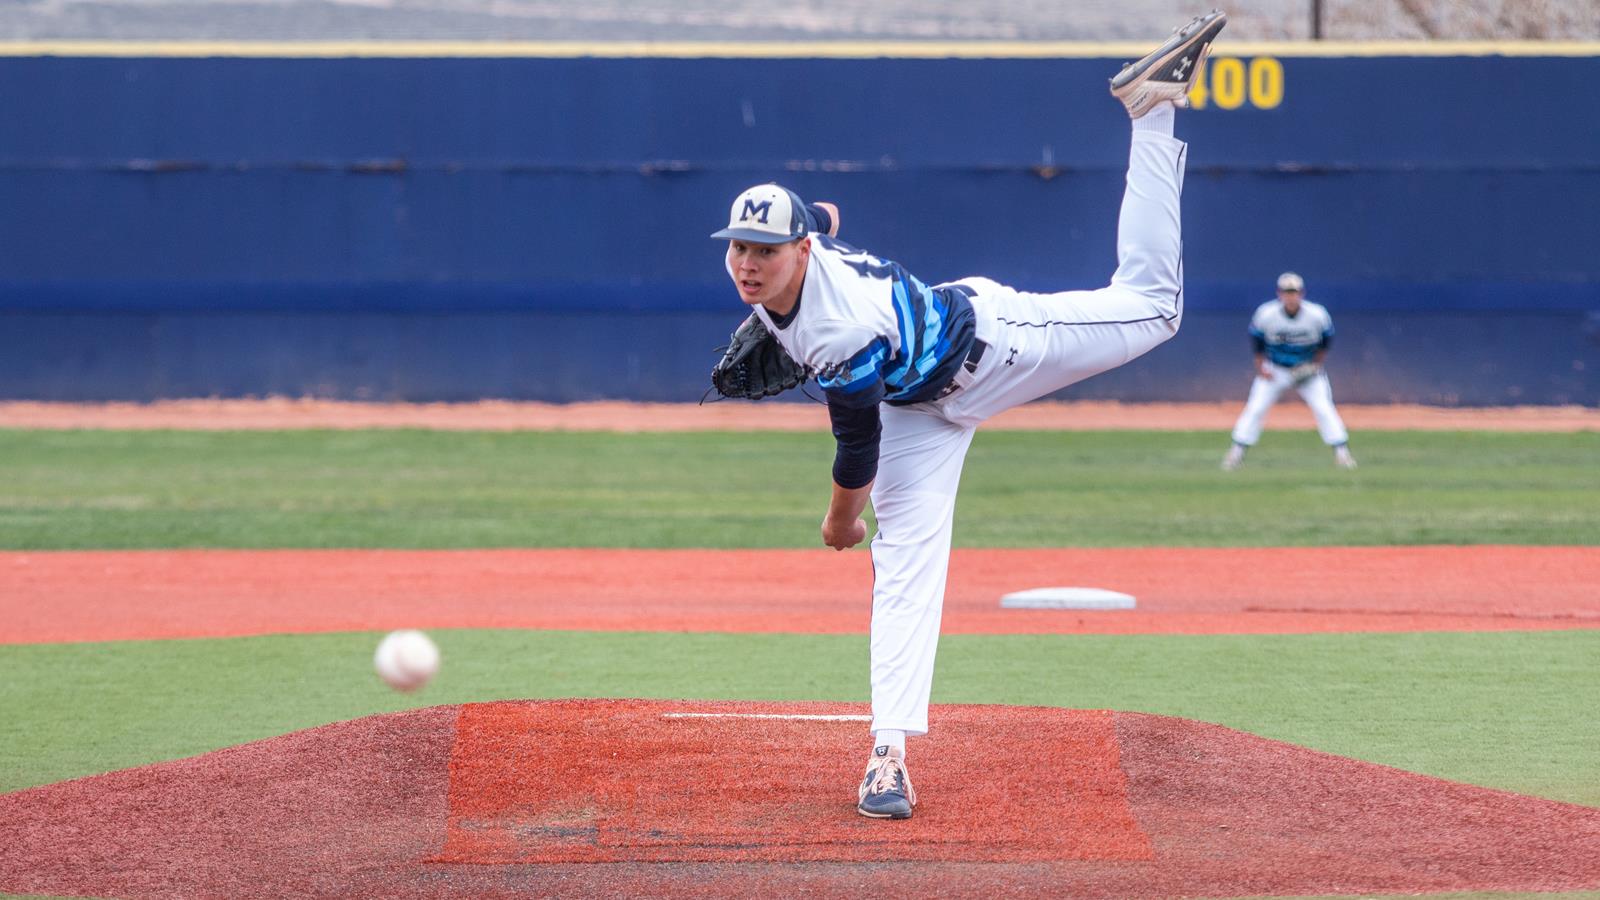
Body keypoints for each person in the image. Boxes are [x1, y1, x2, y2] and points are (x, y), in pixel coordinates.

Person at [709, 10, 1227, 820]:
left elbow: (855, 449)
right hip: (920, 404)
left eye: (764, 251)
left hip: (994, 346)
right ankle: (887, 757)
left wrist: (838, 525)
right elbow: (826, 214)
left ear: (798, 253)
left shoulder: (837, 329)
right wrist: (818, 224)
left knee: (1155, 309)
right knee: (907, 570)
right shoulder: (805, 244)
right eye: (739, 247)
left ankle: (1152, 109)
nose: (747, 263)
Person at [1220, 271, 1357, 470]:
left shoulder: (1316, 315)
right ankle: (1236, 453)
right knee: (1256, 408)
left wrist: (1315, 365)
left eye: (1294, 292)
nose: (1290, 296)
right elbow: (1257, 342)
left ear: (1302, 293)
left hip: (1307, 370)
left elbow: (1325, 342)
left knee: (1324, 409)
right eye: (1286, 292)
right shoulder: (1266, 314)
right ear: (1279, 293)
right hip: (1276, 369)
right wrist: (1261, 368)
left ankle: (1342, 454)